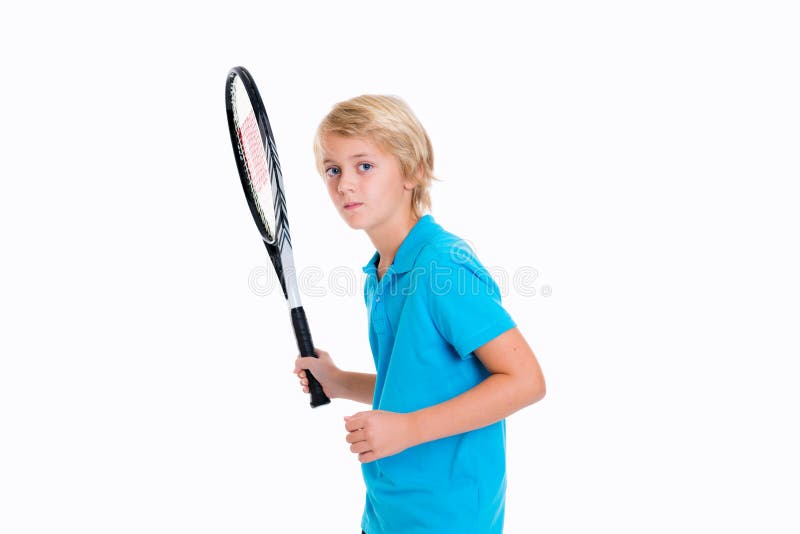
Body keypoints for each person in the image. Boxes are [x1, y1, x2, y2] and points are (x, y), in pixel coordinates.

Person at [294, 94, 546, 534]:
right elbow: (419, 387)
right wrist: (340, 382)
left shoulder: (441, 267)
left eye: (364, 166)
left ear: (413, 171)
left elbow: (526, 381)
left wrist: (408, 429)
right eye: (332, 170)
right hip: (388, 512)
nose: (345, 184)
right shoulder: (383, 273)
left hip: (449, 518)